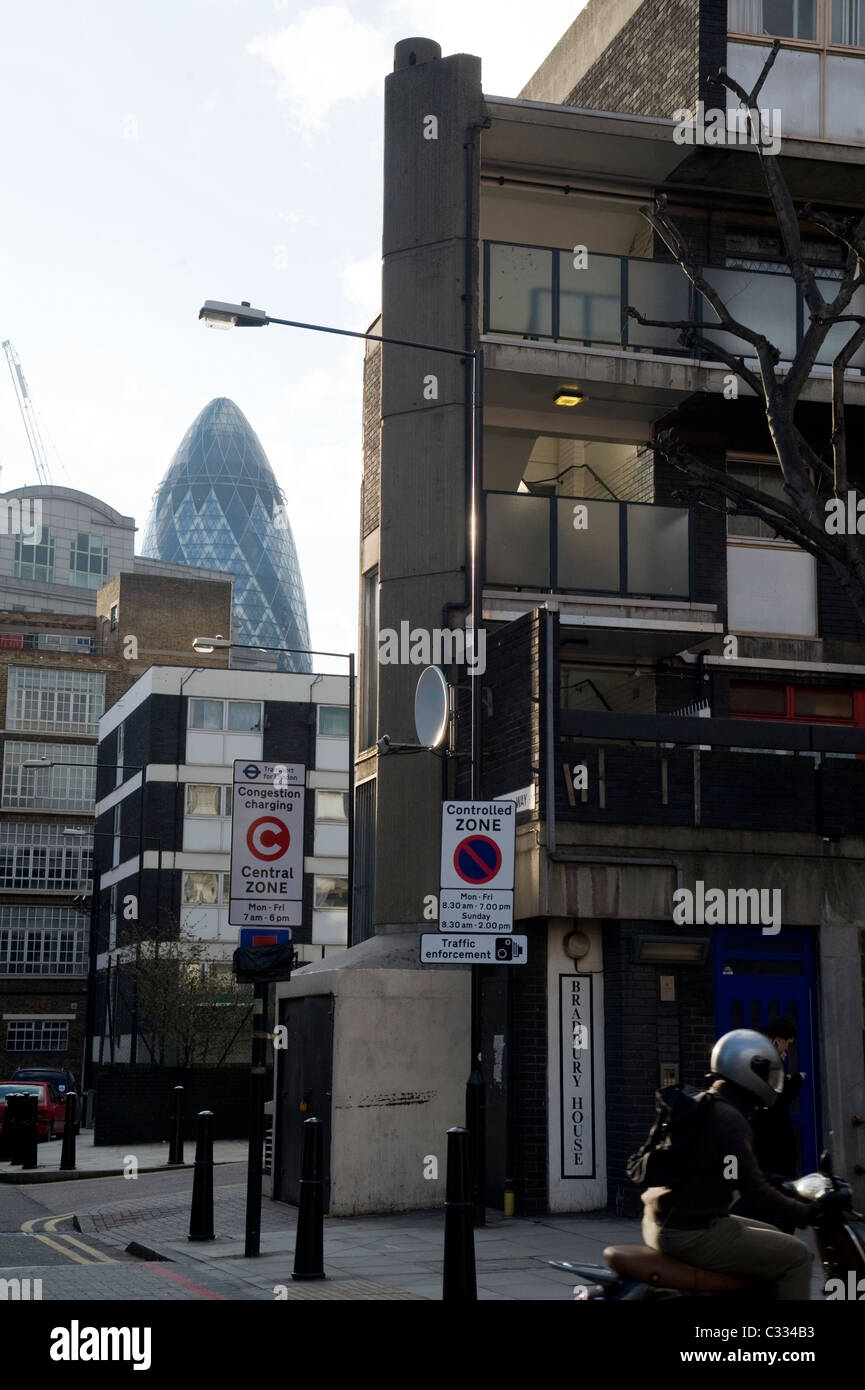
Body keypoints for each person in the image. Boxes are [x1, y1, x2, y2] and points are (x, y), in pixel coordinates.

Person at [641, 1029, 836, 1301]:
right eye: (766, 1074)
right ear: (747, 1072)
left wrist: (780, 1183)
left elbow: (730, 1171)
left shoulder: (702, 1104)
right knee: (797, 1256)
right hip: (691, 1231)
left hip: (662, 1220)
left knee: (771, 1235)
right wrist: (808, 1214)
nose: (771, 1082)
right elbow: (755, 1192)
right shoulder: (729, 1119)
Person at [731, 1020, 804, 1233]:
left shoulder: (753, 1061)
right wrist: (796, 1083)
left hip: (763, 1140)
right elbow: (775, 1099)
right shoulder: (767, 1064)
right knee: (773, 1188)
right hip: (772, 1141)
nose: (786, 1051)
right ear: (777, 1040)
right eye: (786, 1044)